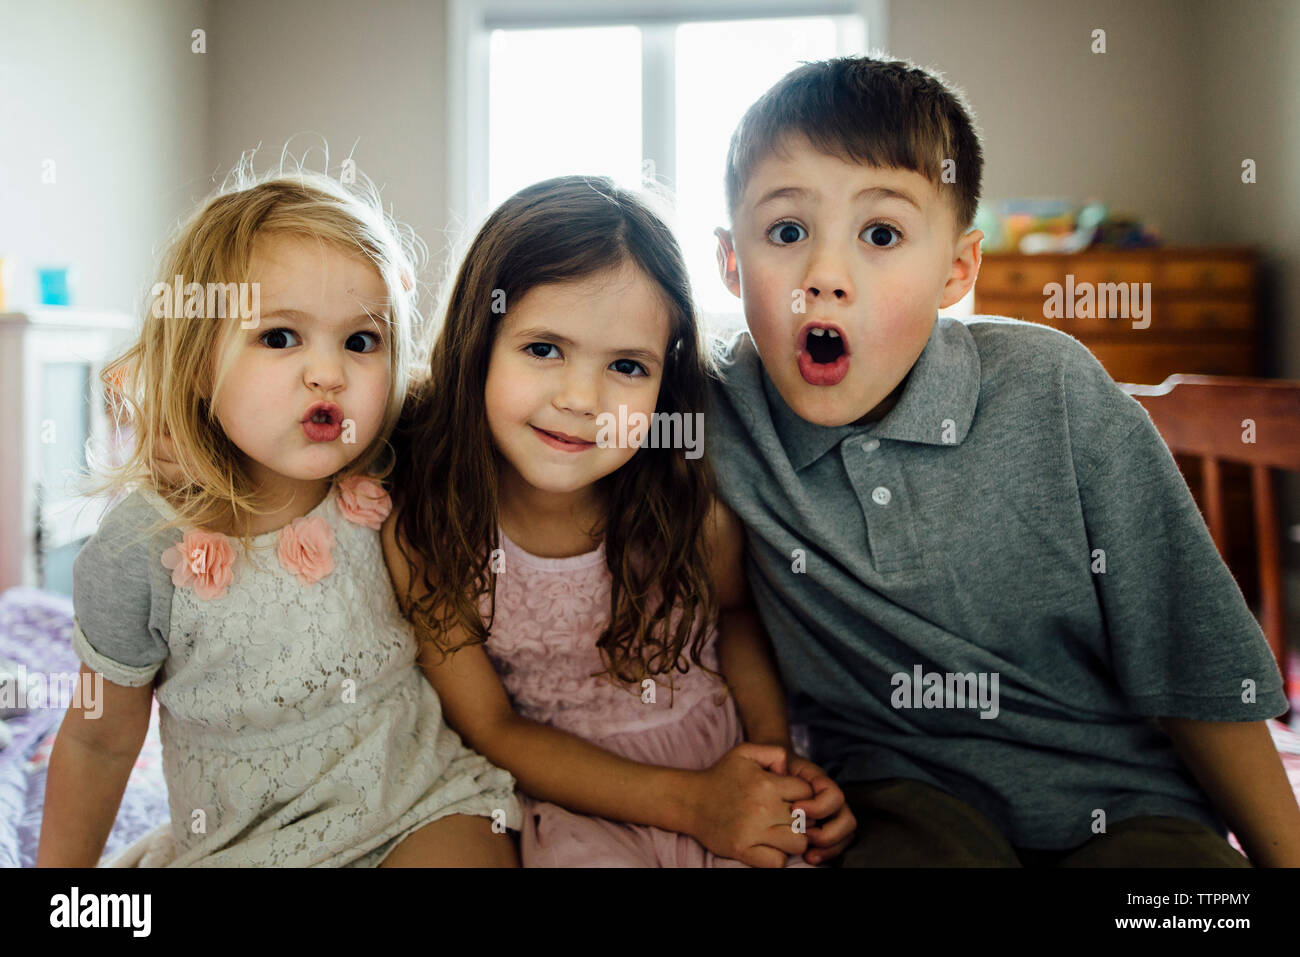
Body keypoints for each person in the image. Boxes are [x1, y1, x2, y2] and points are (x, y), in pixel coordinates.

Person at [706, 55, 1300, 866]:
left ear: (957, 270)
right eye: (785, 232)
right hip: (894, 793)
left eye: (881, 234)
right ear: (730, 263)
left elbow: (1193, 656)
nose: (824, 278)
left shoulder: (1054, 389)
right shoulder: (711, 413)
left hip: (1125, 801)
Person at [37, 166, 520, 867]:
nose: (329, 372)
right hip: (243, 846)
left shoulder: (387, 475)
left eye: (361, 341)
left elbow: (477, 413)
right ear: (198, 362)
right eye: (280, 337)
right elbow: (98, 739)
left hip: (415, 804)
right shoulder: (141, 548)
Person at [381, 175, 854, 867]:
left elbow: (737, 619)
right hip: (579, 796)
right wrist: (694, 803)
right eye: (544, 348)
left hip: (721, 756)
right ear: (477, 343)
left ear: (667, 384)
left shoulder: (688, 503)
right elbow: (491, 724)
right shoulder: (427, 524)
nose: (581, 398)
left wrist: (776, 766)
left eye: (627, 365)